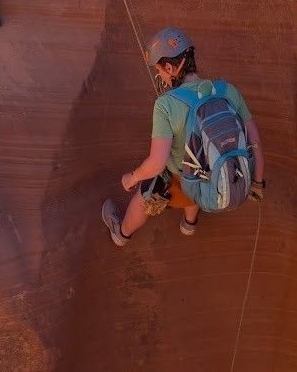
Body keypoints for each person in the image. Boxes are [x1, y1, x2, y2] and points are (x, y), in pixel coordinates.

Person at [102, 27, 265, 245]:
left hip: (182, 178)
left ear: (169, 67)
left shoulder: (165, 105)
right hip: (215, 176)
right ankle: (189, 224)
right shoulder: (227, 90)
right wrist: (257, 182)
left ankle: (120, 234)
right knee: (200, 164)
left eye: (159, 70)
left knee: (145, 196)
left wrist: (131, 177)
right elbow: (255, 141)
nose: (159, 75)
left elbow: (156, 164)